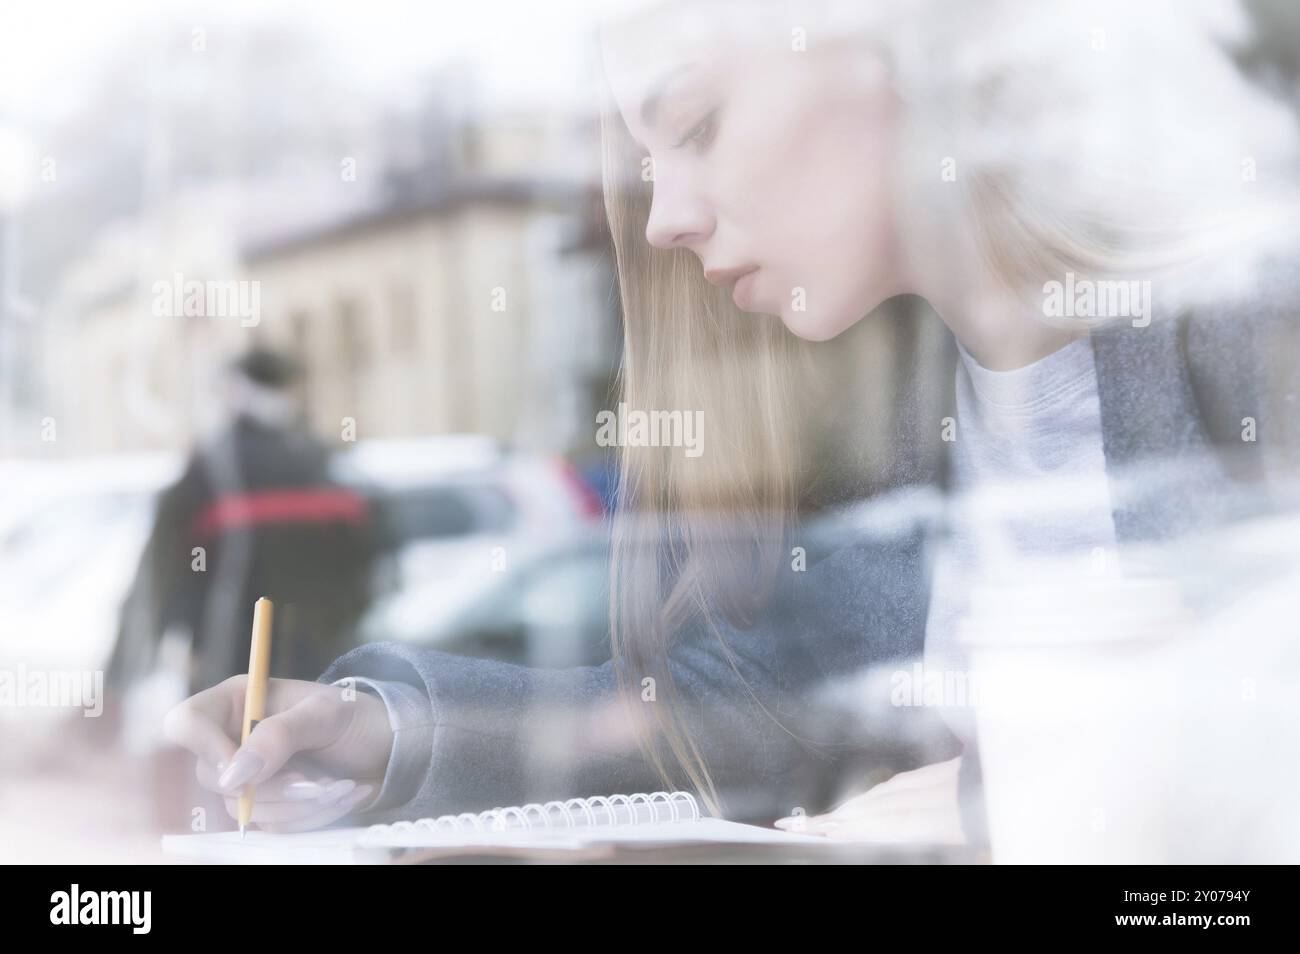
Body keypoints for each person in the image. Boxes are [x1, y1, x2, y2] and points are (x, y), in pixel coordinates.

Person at [164, 0, 1300, 839]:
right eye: (645, 161)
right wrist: (381, 732)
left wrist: (995, 804)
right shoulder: (856, 442)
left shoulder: (1249, 333)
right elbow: (711, 727)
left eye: (695, 125)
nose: (664, 219)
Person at [111, 348, 377, 698]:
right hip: (250, 656)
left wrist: (180, 631)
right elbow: (172, 562)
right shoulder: (224, 469)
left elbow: (362, 556)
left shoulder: (309, 461)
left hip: (281, 657)